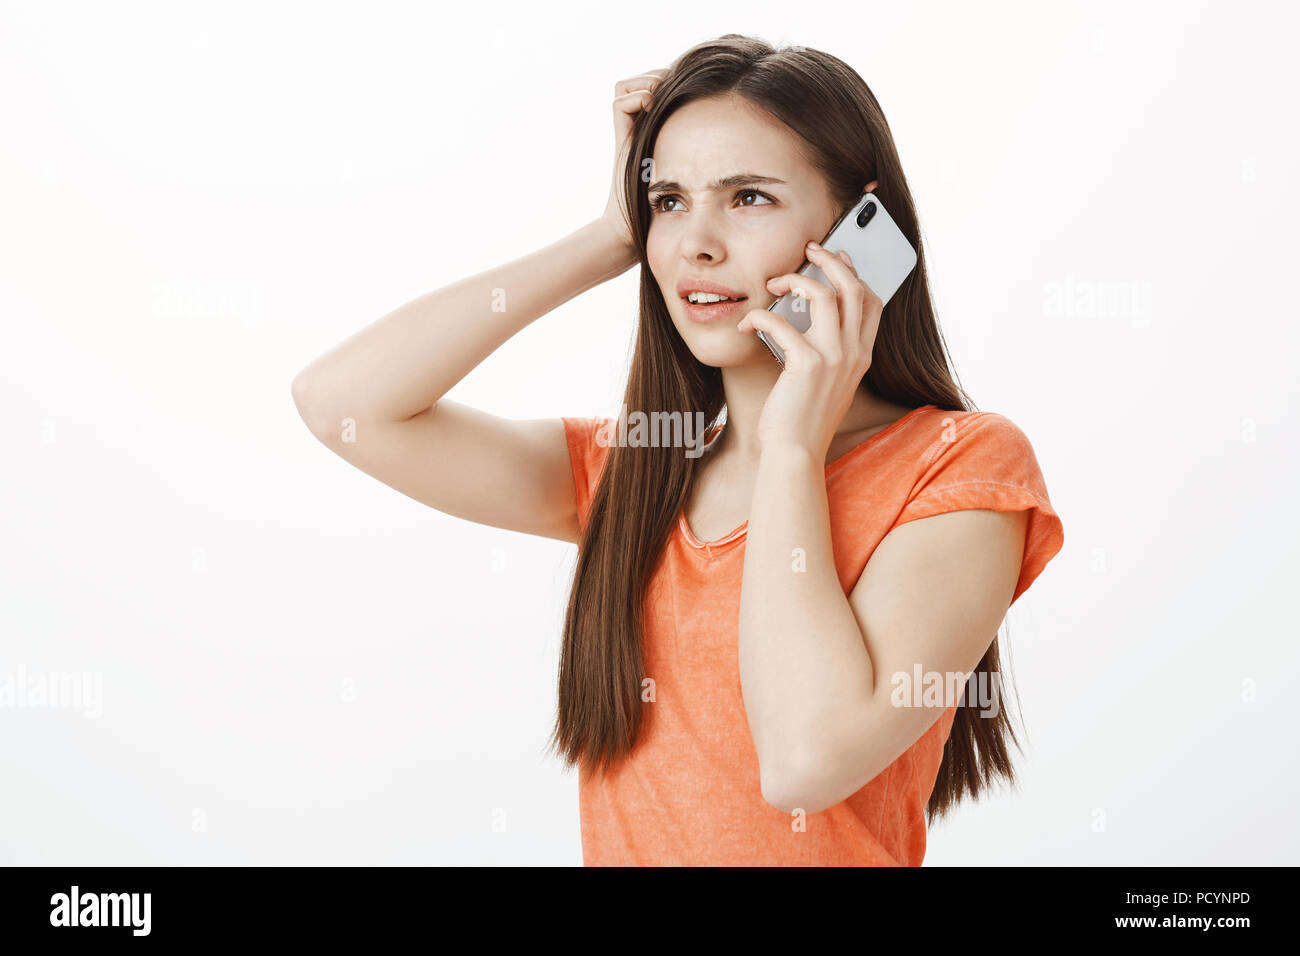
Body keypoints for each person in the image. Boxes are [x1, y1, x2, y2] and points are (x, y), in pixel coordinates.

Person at [291, 33, 1065, 866]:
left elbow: (804, 761)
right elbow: (343, 407)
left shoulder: (960, 465)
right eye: (669, 202)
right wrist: (604, 237)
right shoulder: (638, 473)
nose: (696, 243)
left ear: (858, 227)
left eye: (748, 199)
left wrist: (792, 450)